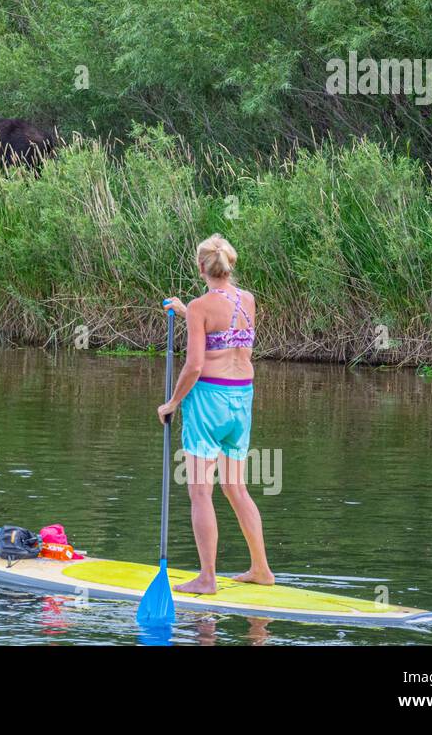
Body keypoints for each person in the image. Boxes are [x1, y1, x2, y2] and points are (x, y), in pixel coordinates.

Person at [158, 234, 274, 593]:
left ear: (200, 267)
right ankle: (261, 569)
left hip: (208, 402)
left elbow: (193, 366)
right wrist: (185, 311)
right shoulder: (248, 301)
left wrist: (172, 403)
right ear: (229, 265)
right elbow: (228, 337)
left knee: (200, 491)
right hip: (242, 400)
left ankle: (207, 577)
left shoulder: (199, 307)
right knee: (235, 487)